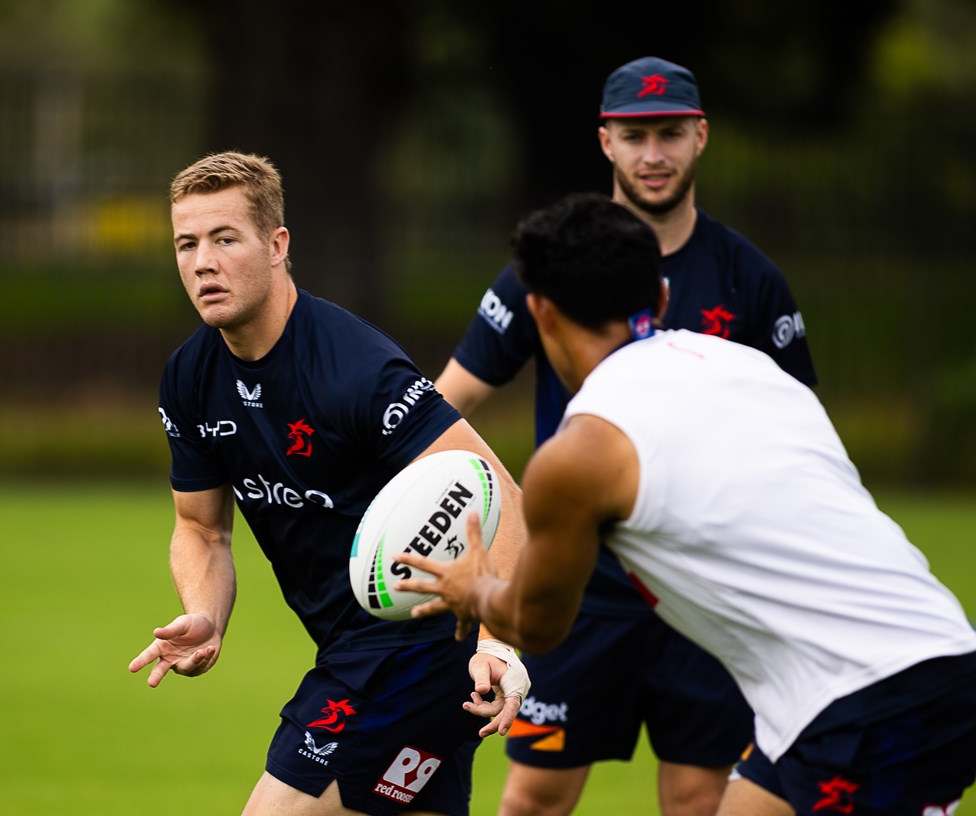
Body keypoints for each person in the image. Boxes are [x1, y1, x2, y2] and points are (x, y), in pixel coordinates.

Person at [398, 192, 976, 816]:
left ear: (540, 312)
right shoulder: (749, 366)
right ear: (663, 297)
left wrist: (474, 588)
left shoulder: (580, 454)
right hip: (908, 664)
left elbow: (537, 626)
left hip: (873, 703)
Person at [436, 56, 816, 815]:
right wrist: (477, 502)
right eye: (635, 135)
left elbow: (798, 436)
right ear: (605, 140)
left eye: (669, 133)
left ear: (700, 136)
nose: (653, 154)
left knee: (697, 799)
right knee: (532, 797)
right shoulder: (552, 262)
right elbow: (448, 401)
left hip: (702, 590)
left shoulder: (748, 278)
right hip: (581, 586)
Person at [128, 151, 531, 816]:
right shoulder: (190, 378)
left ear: (277, 245)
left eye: (225, 239)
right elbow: (201, 528)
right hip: (351, 645)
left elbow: (497, 491)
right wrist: (206, 615)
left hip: (423, 648)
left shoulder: (356, 368)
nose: (203, 263)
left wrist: (497, 640)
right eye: (187, 244)